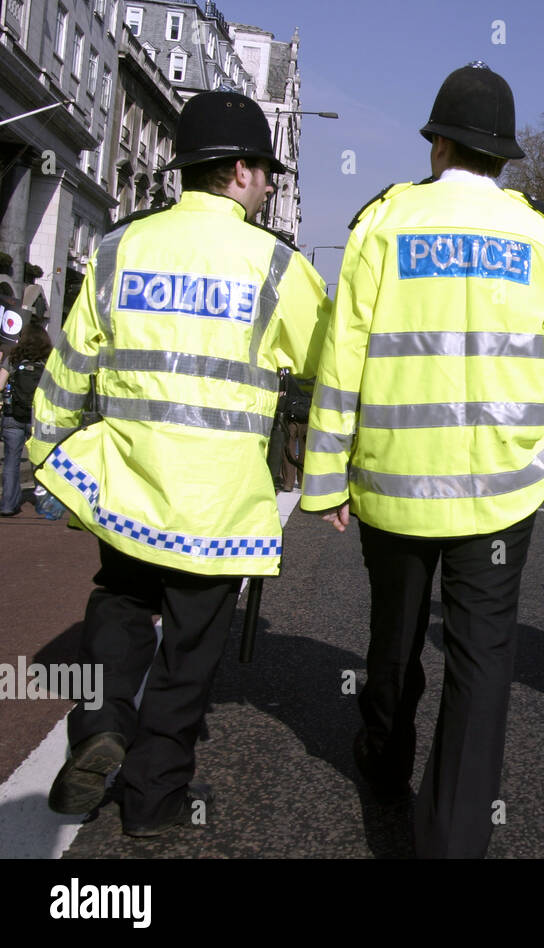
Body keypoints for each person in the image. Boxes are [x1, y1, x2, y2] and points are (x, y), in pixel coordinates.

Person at [300, 62, 544, 859]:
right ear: (505, 156)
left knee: (394, 636)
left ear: (436, 144)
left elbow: (342, 365)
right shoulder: (543, 236)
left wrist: (326, 478)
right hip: (501, 492)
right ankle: (455, 836)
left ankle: (385, 761)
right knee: (483, 654)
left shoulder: (381, 225)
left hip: (393, 482)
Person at [29, 91, 331, 835]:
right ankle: (154, 801)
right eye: (266, 173)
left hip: (129, 483)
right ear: (236, 171)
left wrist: (45, 453)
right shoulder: (278, 267)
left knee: (120, 604)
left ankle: (100, 718)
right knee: (191, 652)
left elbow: (70, 367)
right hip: (217, 506)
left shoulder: (118, 248)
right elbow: (333, 367)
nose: (270, 186)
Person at [1, 321, 52, 516]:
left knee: (11, 462)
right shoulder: (49, 359)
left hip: (13, 416)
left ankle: (7, 505)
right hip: (38, 417)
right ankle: (44, 504)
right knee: (40, 461)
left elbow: (0, 384)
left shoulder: (13, 358)